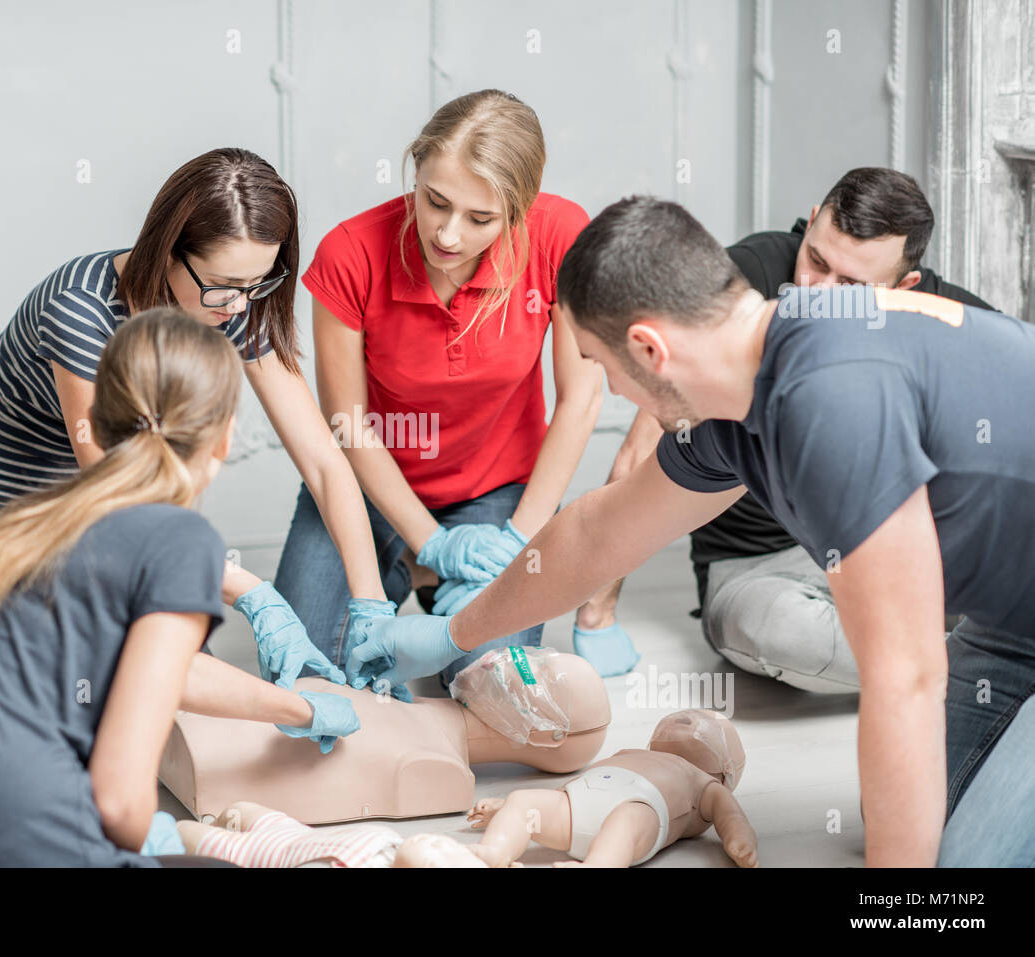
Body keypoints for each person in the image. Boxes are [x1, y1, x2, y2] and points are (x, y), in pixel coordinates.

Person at [348, 196, 1035, 867]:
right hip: (1008, 624)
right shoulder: (739, 405)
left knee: (962, 872)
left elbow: (908, 677)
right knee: (911, 816)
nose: (611, 391)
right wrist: (453, 632)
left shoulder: (831, 395)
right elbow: (594, 534)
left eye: (600, 364)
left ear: (648, 348)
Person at [0, 309, 359, 867]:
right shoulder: (181, 540)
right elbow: (120, 805)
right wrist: (156, 838)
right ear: (224, 437)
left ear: (95, 418)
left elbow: (165, 670)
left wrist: (297, 709)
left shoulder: (33, 519)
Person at [0, 147, 391, 687]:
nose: (237, 306)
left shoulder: (230, 301)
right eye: (223, 284)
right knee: (79, 682)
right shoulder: (80, 308)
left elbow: (324, 460)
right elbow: (121, 498)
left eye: (257, 285)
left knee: (176, 651)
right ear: (166, 250)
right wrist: (250, 593)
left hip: (91, 506)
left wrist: (371, 604)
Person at [585, 167, 995, 693]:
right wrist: (597, 610)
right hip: (759, 568)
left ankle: (952, 661)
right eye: (817, 261)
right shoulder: (744, 279)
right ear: (812, 221)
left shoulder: (938, 311)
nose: (817, 295)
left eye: (850, 285)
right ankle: (969, 671)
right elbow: (643, 445)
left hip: (890, 554)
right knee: (775, 629)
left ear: (903, 287)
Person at [273, 89, 603, 689]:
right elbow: (347, 422)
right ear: (416, 174)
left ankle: (424, 579)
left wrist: (518, 539)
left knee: (491, 682)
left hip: (497, 494)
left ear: (520, 211)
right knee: (310, 670)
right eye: (435, 202)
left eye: (480, 219)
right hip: (368, 488)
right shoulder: (352, 253)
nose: (449, 235)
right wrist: (431, 542)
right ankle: (416, 568)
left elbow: (579, 401)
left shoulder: (560, 235)